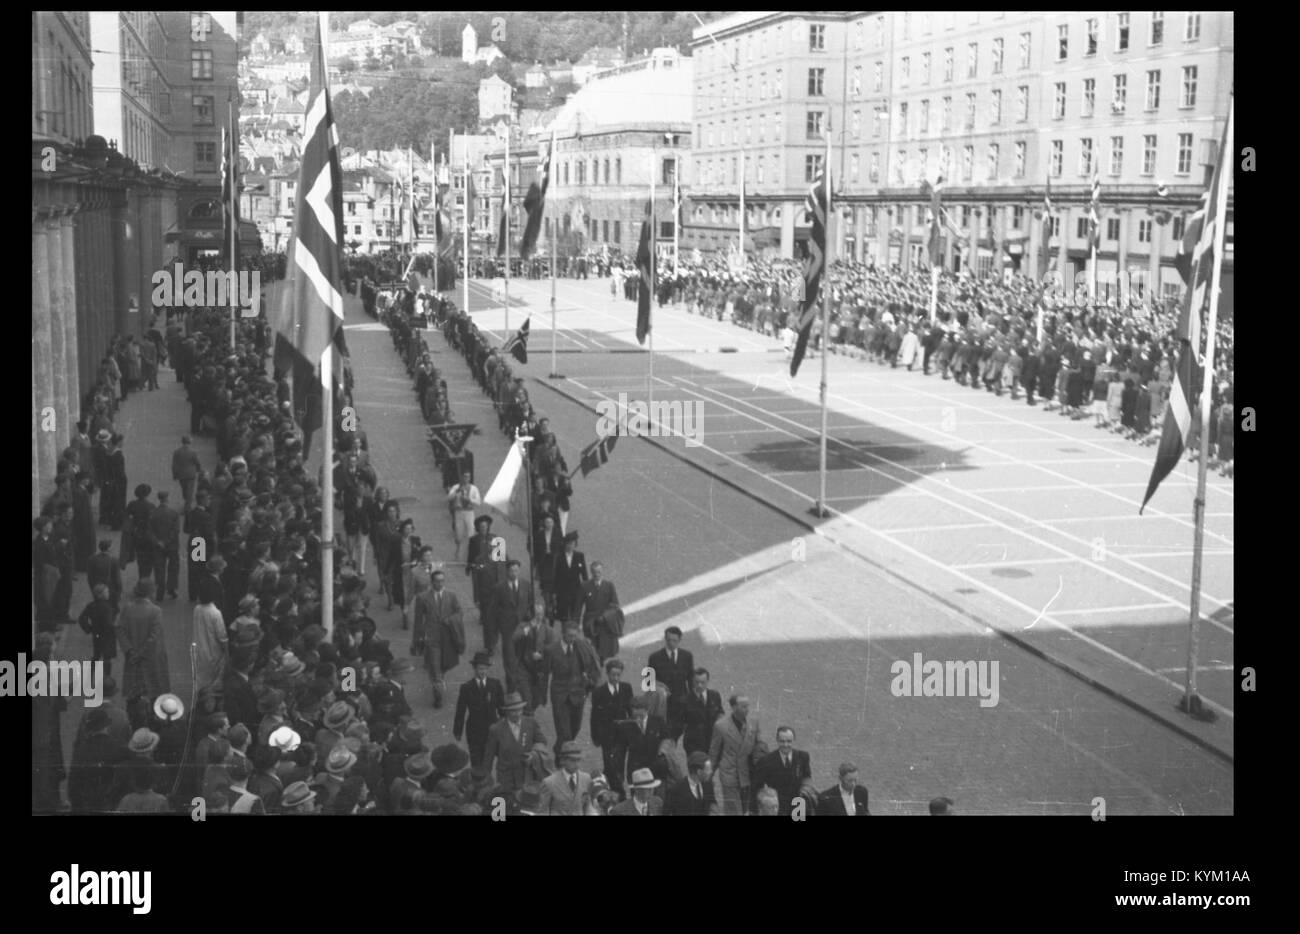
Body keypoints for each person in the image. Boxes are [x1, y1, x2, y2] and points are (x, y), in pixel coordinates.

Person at [411, 568, 466, 709]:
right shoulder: (423, 598)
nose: (440, 584)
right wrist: (417, 640)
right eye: (437, 581)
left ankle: (439, 679)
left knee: (444, 665)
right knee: (435, 667)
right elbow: (418, 621)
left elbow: (459, 612)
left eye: (442, 581)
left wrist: (450, 620)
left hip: (448, 638)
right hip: (432, 639)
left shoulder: (451, 596)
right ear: (432, 582)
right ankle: (438, 695)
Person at [544, 620, 600, 755]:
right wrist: (541, 695)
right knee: (564, 732)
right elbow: (544, 672)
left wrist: (591, 682)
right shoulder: (552, 650)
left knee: (575, 729)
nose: (572, 639)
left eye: (575, 636)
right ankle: (563, 760)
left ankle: (559, 749)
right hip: (560, 695)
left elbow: (594, 666)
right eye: (569, 636)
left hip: (578, 694)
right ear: (563, 634)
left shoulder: (582, 646)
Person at [482, 692, 547, 798]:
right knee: (505, 808)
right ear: (506, 711)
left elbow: (542, 742)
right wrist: (486, 783)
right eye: (513, 710)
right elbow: (488, 758)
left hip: (526, 776)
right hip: (506, 779)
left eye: (519, 709)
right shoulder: (496, 729)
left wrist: (534, 754)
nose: (517, 713)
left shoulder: (531, 723)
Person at [117, 579, 170, 701]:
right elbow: (154, 636)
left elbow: (120, 629)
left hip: (132, 657)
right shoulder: (155, 610)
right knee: (153, 688)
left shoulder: (127, 608)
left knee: (134, 688)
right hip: (151, 657)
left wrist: (130, 650)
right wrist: (142, 652)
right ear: (150, 592)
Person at [709, 693, 760, 816]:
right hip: (730, 774)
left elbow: (758, 746)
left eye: (747, 706)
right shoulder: (721, 726)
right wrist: (708, 774)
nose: (746, 709)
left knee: (746, 809)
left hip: (747, 773)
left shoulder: (753, 722)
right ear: (733, 707)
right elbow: (714, 752)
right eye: (743, 706)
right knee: (733, 811)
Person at [452, 651, 505, 768]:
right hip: (474, 731)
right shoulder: (466, 688)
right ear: (474, 669)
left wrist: (504, 723)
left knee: (490, 760)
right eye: (480, 669)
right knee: (477, 763)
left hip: (492, 729)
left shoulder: (495, 684)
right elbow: (460, 711)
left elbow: (502, 707)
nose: (483, 672)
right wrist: (457, 731)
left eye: (485, 669)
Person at [485, 559, 532, 687]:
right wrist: (493, 631)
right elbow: (492, 610)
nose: (514, 573)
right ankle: (511, 685)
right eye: (511, 571)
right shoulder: (499, 588)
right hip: (508, 629)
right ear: (507, 572)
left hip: (523, 628)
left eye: (516, 570)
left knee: (522, 656)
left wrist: (530, 622)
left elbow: (530, 605)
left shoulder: (526, 585)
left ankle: (522, 681)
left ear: (519, 571)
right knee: (509, 657)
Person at [589, 658, 633, 793]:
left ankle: (606, 786)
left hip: (622, 736)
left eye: (618, 675)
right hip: (606, 736)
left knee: (617, 765)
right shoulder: (599, 692)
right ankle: (620, 794)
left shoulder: (626, 688)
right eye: (613, 674)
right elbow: (595, 716)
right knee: (610, 763)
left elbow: (630, 711)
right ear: (607, 674)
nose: (615, 677)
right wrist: (596, 736)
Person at [751, 726, 812, 817]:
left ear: (794, 740)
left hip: (798, 804)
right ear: (777, 740)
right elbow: (757, 787)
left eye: (789, 741)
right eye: (782, 741)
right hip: (777, 806)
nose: (785, 745)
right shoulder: (766, 761)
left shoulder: (802, 757)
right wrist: (755, 809)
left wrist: (805, 790)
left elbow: (807, 776)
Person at [614, 694, 671, 791]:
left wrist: (662, 751)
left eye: (639, 710)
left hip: (656, 767)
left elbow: (667, 738)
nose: (636, 713)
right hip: (636, 770)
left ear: (646, 709)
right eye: (634, 709)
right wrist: (620, 774)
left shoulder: (658, 721)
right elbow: (621, 752)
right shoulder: (625, 726)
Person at [647, 626, 694, 741]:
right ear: (665, 639)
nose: (671, 643)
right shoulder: (654, 657)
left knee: (676, 734)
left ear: (680, 640)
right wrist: (659, 686)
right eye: (668, 640)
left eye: (674, 640)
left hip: (680, 704)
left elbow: (691, 679)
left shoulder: (687, 656)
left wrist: (691, 699)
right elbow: (647, 682)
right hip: (663, 705)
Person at [511, 606, 556, 714]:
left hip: (539, 670)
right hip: (524, 667)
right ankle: (528, 717)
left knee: (537, 699)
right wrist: (529, 627)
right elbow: (515, 638)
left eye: (540, 614)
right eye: (536, 614)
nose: (538, 617)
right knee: (526, 696)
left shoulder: (548, 630)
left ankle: (529, 713)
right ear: (531, 614)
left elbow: (552, 648)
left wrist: (542, 654)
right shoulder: (524, 626)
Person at [579, 561, 623, 661]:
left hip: (604, 621)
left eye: (598, 572)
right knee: (592, 647)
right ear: (591, 572)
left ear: (602, 572)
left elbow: (615, 604)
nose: (596, 574)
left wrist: (605, 616)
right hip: (591, 622)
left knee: (603, 647)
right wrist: (576, 623)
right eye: (594, 572)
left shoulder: (609, 586)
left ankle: (601, 662)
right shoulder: (585, 586)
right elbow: (578, 606)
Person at [77, 583, 118, 682]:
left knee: (96, 656)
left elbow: (82, 618)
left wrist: (89, 629)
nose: (108, 593)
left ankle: (89, 676)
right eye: (106, 592)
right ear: (100, 594)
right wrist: (115, 630)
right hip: (107, 636)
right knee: (107, 658)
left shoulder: (91, 605)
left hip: (96, 635)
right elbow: (108, 623)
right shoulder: (107, 607)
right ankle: (107, 679)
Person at [538, 741, 591, 815]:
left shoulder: (586, 779)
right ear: (562, 761)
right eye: (572, 760)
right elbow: (543, 812)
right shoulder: (549, 783)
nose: (576, 764)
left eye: (578, 760)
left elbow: (588, 807)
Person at [681, 667, 725, 759]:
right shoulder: (685, 700)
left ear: (707, 681)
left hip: (712, 743)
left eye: (702, 682)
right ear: (692, 681)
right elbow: (681, 722)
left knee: (710, 770)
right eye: (697, 682)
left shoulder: (714, 695)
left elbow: (720, 713)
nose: (699, 685)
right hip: (694, 745)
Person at [149, 490, 181, 600]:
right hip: (172, 546)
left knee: (159, 569)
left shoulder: (153, 513)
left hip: (157, 546)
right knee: (173, 567)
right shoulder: (174, 513)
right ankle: (172, 588)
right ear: (167, 499)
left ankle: (160, 591)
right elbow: (175, 530)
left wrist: (158, 542)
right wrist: (167, 541)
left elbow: (149, 531)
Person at [192, 594, 227, 693]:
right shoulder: (216, 613)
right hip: (213, 652)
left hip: (199, 651)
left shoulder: (197, 609)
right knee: (211, 683)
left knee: (200, 681)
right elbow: (222, 636)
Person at [664, 751, 717, 816]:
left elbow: (712, 803)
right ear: (699, 772)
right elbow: (666, 812)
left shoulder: (708, 785)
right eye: (708, 769)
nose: (711, 772)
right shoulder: (675, 790)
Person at [551, 531, 587, 623]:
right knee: (563, 616)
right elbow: (555, 576)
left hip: (576, 590)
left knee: (575, 615)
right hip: (562, 591)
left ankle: (574, 634)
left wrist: (586, 590)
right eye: (568, 544)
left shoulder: (580, 556)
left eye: (572, 544)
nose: (570, 546)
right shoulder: (559, 557)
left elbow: (584, 574)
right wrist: (554, 592)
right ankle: (565, 634)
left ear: (575, 545)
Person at [446, 471, 481, 560]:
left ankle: (469, 554)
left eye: (468, 477)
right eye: (464, 476)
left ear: (470, 478)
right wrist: (456, 492)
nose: (466, 479)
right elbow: (449, 498)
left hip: (469, 512)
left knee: (470, 533)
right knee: (459, 533)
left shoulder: (473, 488)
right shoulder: (456, 487)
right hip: (459, 512)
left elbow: (478, 502)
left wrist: (469, 499)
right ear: (461, 477)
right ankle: (458, 550)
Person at [171, 436, 202, 511]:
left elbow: (174, 464)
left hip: (181, 474)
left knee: (184, 489)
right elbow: (197, 462)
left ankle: (187, 501)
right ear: (189, 442)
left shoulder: (177, 452)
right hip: (191, 473)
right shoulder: (193, 452)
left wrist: (175, 474)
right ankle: (187, 506)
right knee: (190, 490)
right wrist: (198, 469)